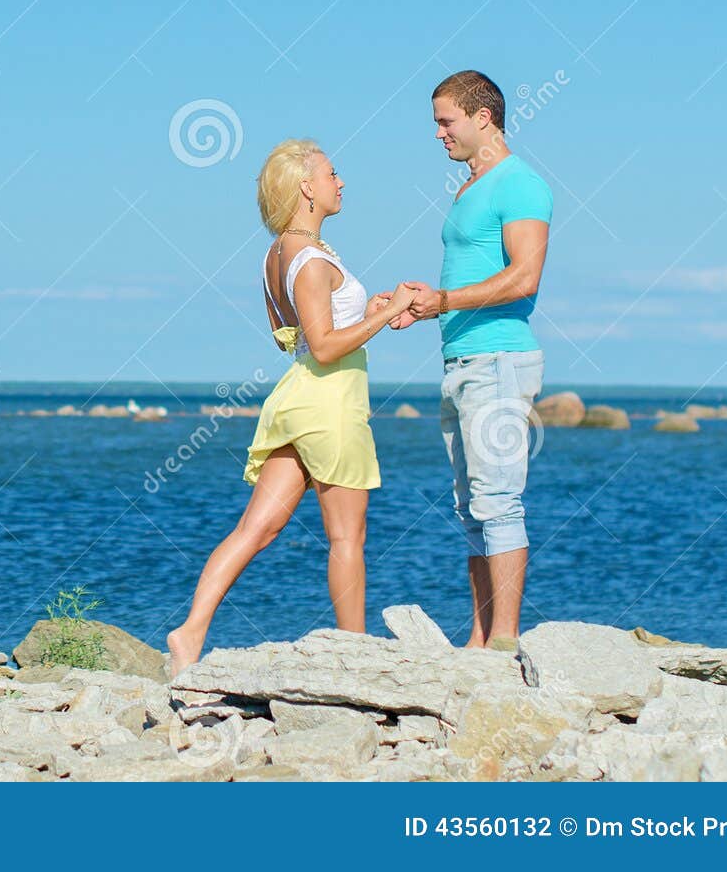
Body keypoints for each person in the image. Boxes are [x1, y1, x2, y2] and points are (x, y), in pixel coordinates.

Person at [167, 139, 415, 676]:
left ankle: (190, 633)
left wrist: (364, 314)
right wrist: (389, 310)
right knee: (347, 537)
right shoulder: (310, 259)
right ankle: (357, 656)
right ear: (307, 186)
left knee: (254, 530)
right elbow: (325, 346)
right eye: (332, 172)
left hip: (296, 399)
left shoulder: (277, 253)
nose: (340, 182)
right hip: (329, 406)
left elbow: (294, 339)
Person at [389, 70, 553, 651]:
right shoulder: (468, 188)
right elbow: (471, 274)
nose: (438, 134)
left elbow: (524, 276)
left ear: (483, 118)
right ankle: (479, 642)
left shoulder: (520, 184)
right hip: (462, 361)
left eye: (445, 121)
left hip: (499, 361)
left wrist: (445, 301)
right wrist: (423, 306)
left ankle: (505, 642)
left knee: (499, 502)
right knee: (472, 510)